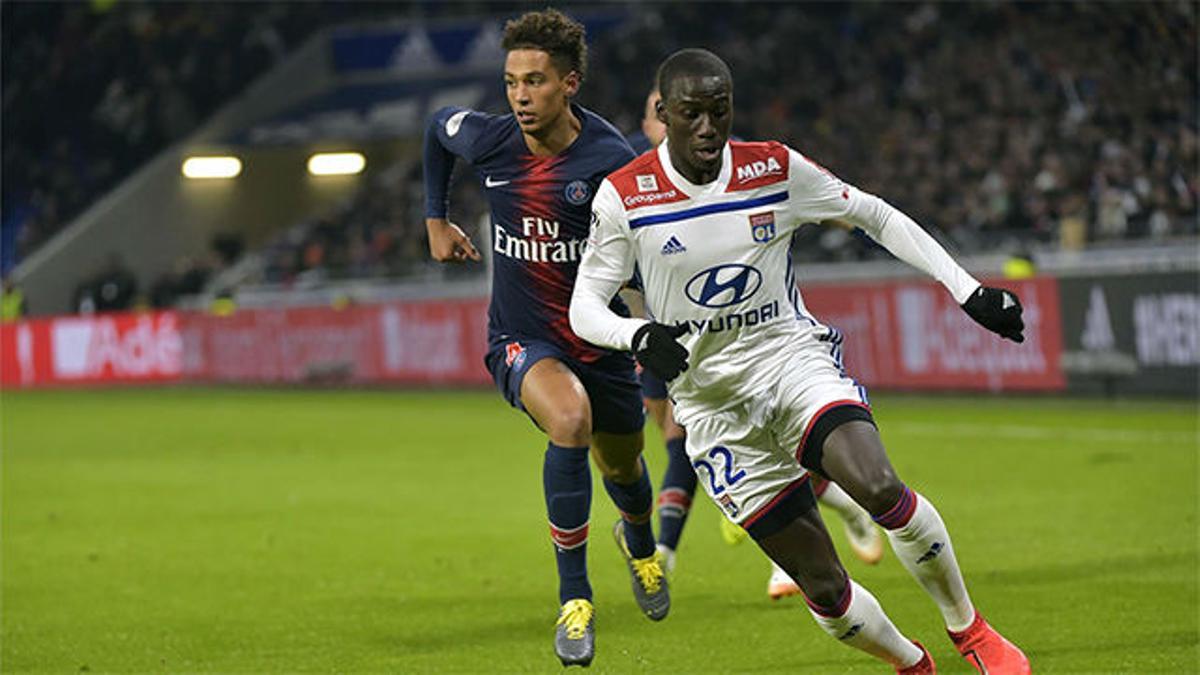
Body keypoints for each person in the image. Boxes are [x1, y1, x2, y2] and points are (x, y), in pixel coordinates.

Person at [570, 48, 1030, 674]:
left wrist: (967, 290)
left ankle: (971, 631)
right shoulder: (625, 196)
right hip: (712, 408)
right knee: (827, 593)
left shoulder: (772, 167)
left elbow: (872, 214)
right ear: (663, 113)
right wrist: (637, 335)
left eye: (719, 111)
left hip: (791, 362)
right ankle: (911, 663)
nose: (707, 127)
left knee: (880, 487)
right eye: (691, 113)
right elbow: (584, 307)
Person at [421, 9, 667, 667]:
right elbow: (437, 127)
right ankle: (575, 599)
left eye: (535, 81)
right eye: (511, 82)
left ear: (569, 83)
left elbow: (643, 257)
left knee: (625, 467)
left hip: (598, 339)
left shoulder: (611, 162)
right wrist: (436, 219)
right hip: (521, 337)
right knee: (569, 419)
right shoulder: (491, 139)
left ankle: (640, 543)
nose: (520, 96)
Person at [627, 86, 884, 596]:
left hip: (738, 333)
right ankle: (842, 505)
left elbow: (795, 196)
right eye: (657, 113)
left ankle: (669, 555)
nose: (666, 121)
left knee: (710, 441)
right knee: (683, 444)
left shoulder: (727, 162)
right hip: (663, 336)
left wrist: (844, 214)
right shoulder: (631, 180)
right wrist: (634, 329)